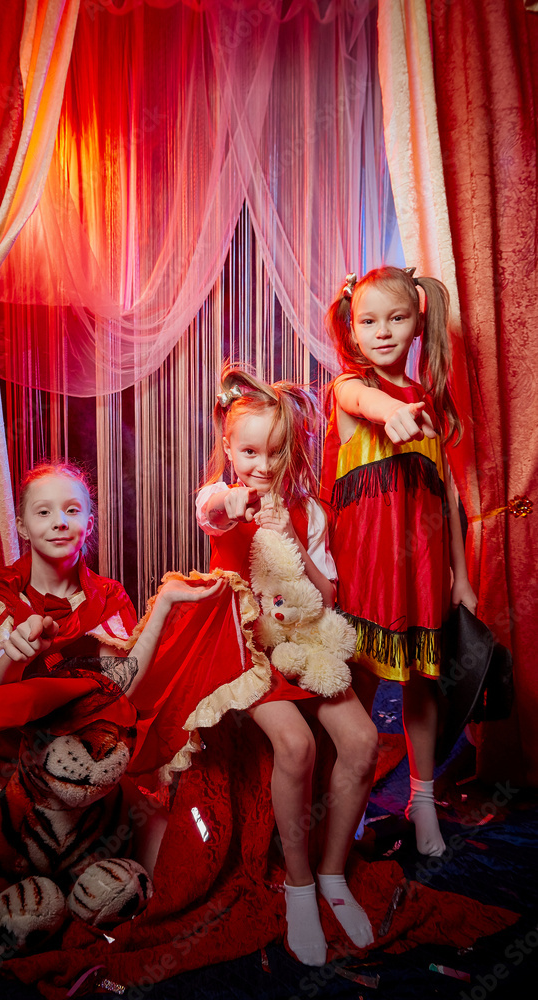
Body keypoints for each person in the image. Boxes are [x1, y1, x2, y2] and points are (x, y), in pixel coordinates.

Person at [0, 460, 224, 957]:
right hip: (9, 772)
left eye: (71, 510)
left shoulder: (109, 599)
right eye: (44, 512)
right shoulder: (3, 602)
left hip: (89, 771)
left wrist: (168, 603)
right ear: (22, 525)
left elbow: (122, 692)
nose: (59, 522)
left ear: (89, 520)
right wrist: (14, 652)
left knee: (180, 879)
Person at [196, 367, 379, 966]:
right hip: (247, 650)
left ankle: (331, 873)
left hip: (308, 640)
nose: (263, 466)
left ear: (292, 451)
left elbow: (328, 596)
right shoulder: (218, 497)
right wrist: (239, 500)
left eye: (276, 453)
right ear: (228, 447)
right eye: (249, 450)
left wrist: (296, 542)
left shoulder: (311, 513)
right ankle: (299, 884)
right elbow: (216, 512)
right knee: (295, 747)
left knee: (362, 740)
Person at [321, 266, 478, 859]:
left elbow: (450, 499)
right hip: (361, 567)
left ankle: (421, 796)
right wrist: (389, 410)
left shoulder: (431, 400)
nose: (382, 332)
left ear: (417, 323)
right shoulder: (349, 389)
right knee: (354, 682)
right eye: (368, 321)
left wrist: (461, 577)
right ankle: (350, 800)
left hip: (421, 567)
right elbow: (363, 400)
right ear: (353, 330)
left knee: (423, 682)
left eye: (396, 318)